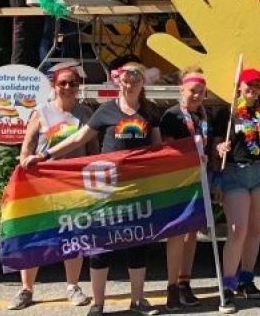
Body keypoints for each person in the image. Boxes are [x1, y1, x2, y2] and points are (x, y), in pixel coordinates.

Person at [22, 61, 162, 316]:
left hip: (137, 187)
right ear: (118, 81)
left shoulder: (151, 112)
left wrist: (192, 156)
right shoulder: (105, 111)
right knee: (102, 245)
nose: (130, 83)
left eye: (136, 79)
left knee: (138, 244)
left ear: (143, 83)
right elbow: (77, 138)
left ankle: (138, 301)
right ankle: (98, 304)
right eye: (126, 78)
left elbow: (158, 150)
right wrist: (44, 156)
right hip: (105, 188)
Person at [9, 64, 95, 311]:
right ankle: (26, 289)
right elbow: (27, 146)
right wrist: (25, 162)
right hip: (41, 183)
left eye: (73, 83)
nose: (68, 88)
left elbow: (92, 150)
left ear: (78, 87)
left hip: (74, 184)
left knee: (73, 235)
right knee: (35, 234)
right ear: (54, 86)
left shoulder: (86, 114)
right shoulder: (41, 113)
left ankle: (73, 286)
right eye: (63, 83)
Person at [212, 68, 260, 313]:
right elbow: (215, 142)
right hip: (235, 173)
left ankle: (246, 279)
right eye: (249, 85)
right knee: (237, 230)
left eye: (258, 85)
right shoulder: (228, 113)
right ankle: (228, 286)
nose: (253, 89)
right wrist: (219, 146)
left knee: (255, 230)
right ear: (239, 87)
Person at [158, 66, 211, 310]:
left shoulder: (204, 114)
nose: (197, 96)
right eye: (192, 91)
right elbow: (167, 151)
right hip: (178, 181)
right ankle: (170, 287)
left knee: (192, 235)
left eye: (201, 91)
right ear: (182, 89)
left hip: (199, 179)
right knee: (177, 234)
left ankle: (184, 282)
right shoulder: (171, 116)